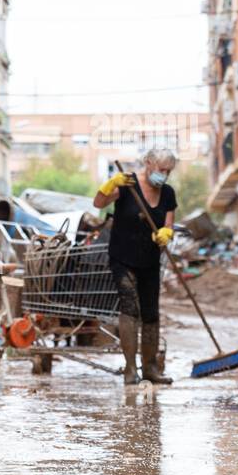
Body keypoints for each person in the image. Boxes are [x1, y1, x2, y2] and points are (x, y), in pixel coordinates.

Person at [92, 149, 178, 386]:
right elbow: (98, 203)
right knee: (130, 307)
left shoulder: (168, 193)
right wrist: (110, 184)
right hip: (123, 257)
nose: (165, 175)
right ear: (149, 164)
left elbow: (169, 222)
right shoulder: (127, 184)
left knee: (151, 312)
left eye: (168, 171)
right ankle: (131, 369)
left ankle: (150, 369)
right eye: (161, 169)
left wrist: (166, 233)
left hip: (150, 259)